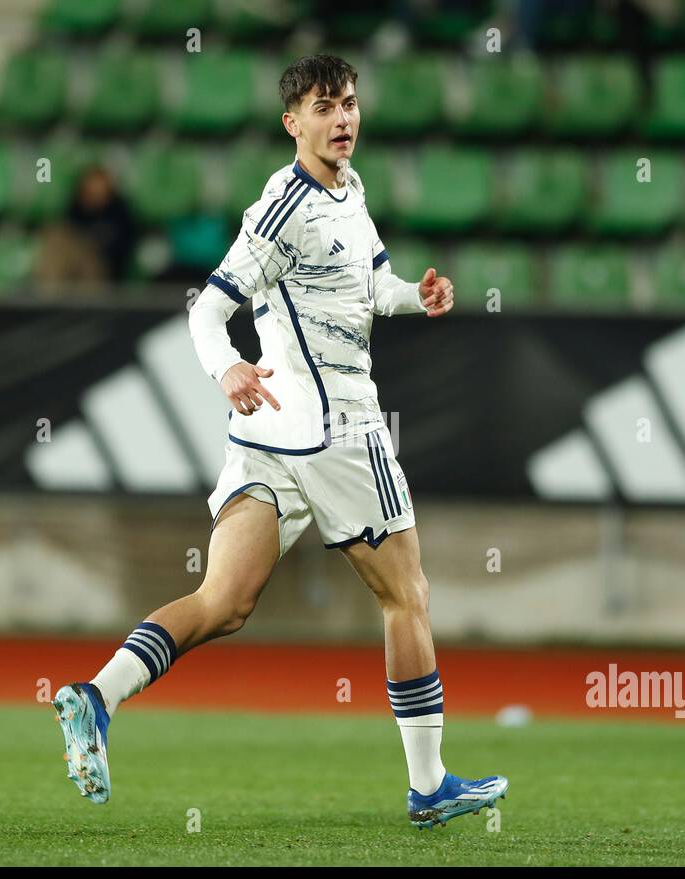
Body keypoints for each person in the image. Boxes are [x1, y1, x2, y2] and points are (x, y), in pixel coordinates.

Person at [53, 54, 507, 829]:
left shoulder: (349, 189)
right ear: (292, 122)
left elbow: (367, 286)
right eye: (326, 107)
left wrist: (412, 297)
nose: (345, 119)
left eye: (352, 104)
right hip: (333, 428)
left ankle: (97, 697)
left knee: (223, 602)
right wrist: (227, 365)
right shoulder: (284, 206)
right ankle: (429, 786)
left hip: (271, 434)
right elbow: (207, 309)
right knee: (408, 596)